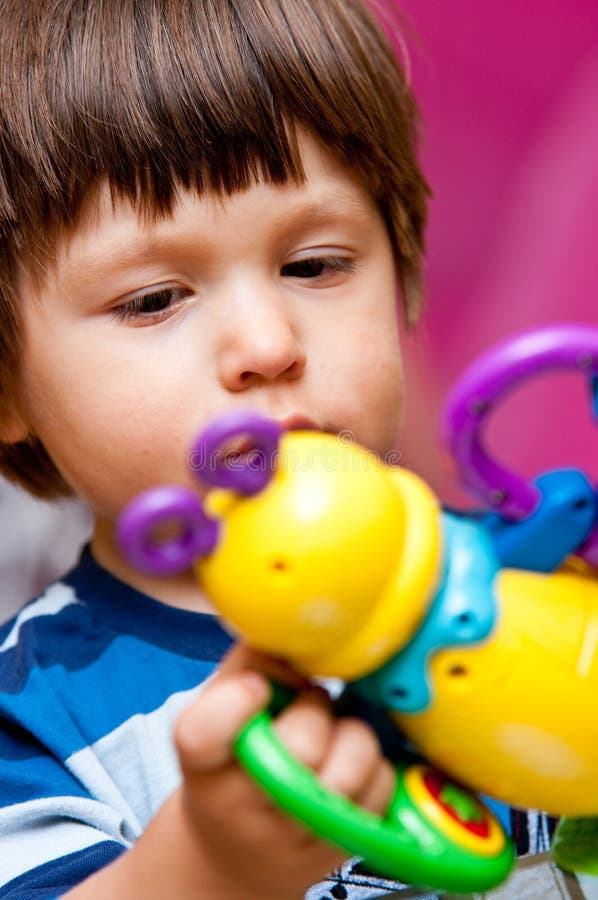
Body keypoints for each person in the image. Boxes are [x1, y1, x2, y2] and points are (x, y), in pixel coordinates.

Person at [0, 2, 553, 899]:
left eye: (315, 265)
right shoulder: (30, 721)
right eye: (154, 299)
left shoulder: (519, 585)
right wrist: (203, 868)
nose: (268, 344)